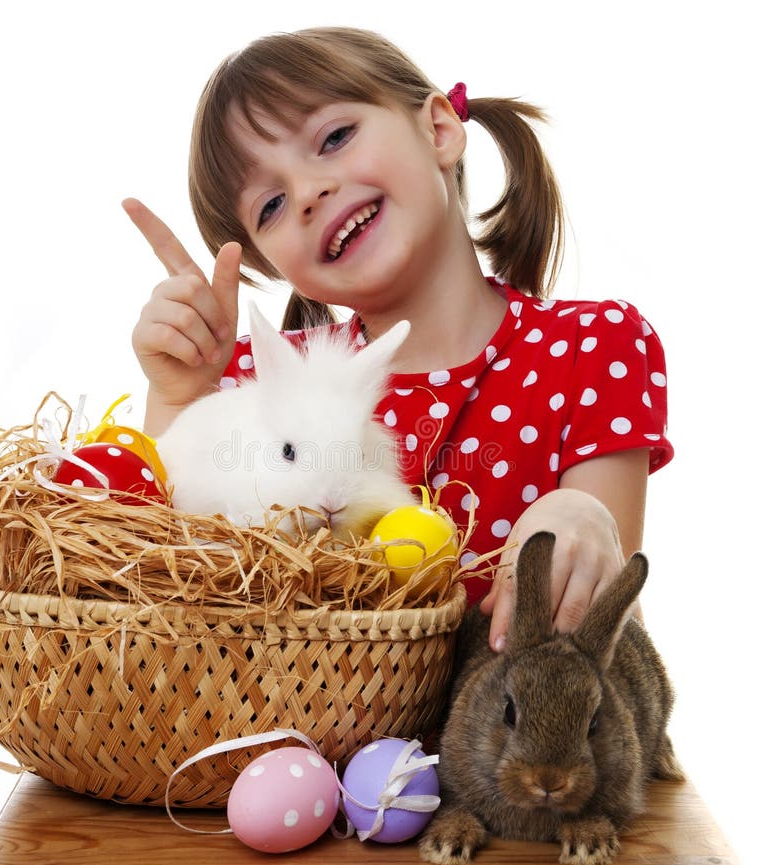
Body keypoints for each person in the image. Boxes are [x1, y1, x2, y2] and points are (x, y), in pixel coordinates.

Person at [123, 27, 672, 653]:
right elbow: (154, 596)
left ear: (438, 129)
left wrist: (585, 518)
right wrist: (179, 395)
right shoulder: (251, 379)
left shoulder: (588, 348)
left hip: (509, 710)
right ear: (269, 263)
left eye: (334, 137)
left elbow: (600, 640)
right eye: (270, 206)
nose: (307, 194)